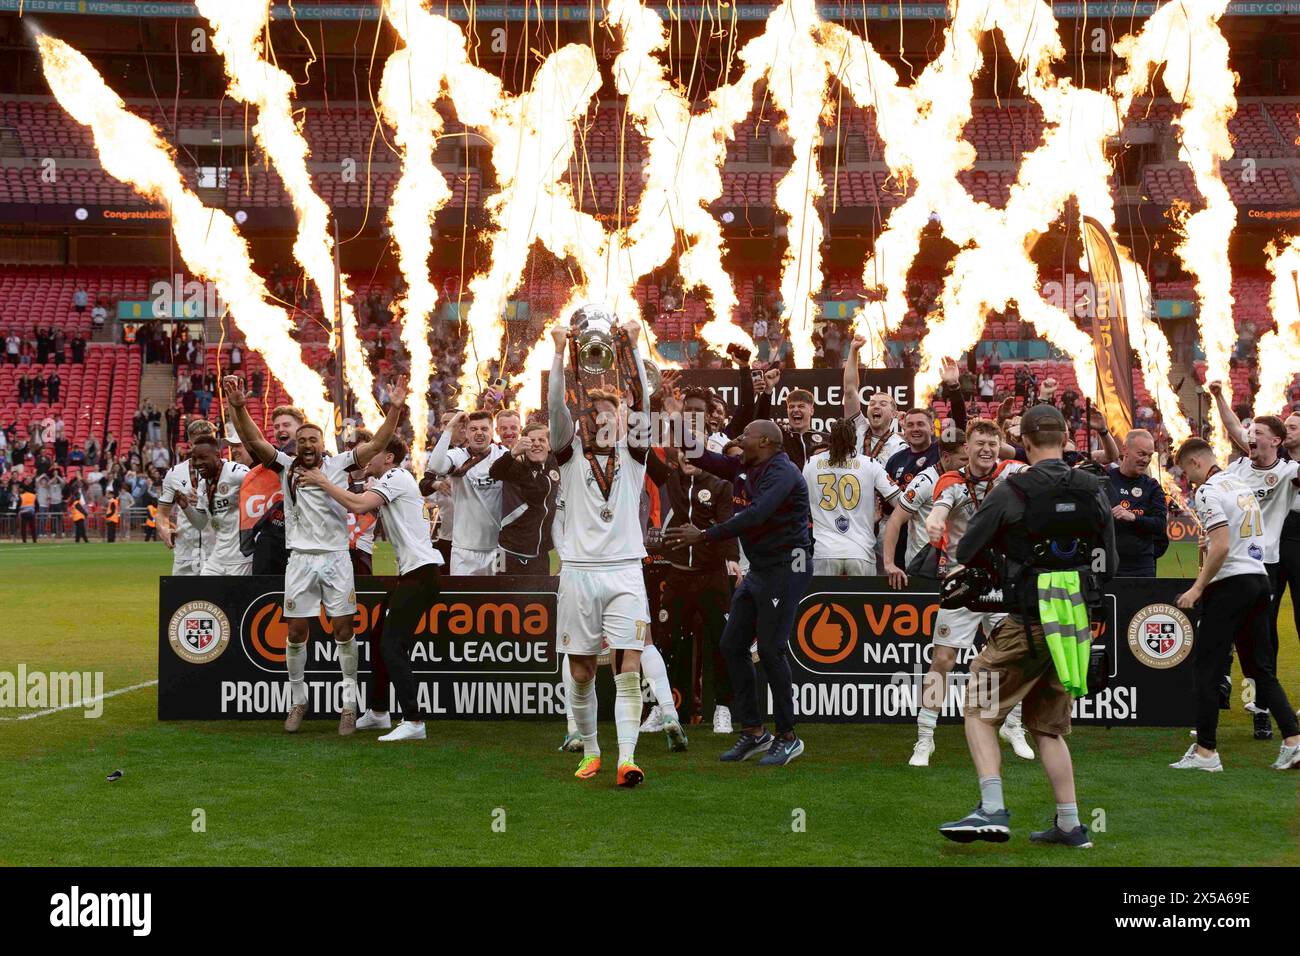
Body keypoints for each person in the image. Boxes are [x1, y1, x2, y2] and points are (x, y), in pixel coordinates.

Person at [938, 405, 1115, 847]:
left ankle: (992, 810)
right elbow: (1109, 562)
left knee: (979, 709)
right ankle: (1071, 824)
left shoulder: (1012, 490)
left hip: (1027, 619)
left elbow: (965, 552)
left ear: (1022, 441)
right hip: (1074, 623)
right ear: (1067, 436)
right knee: (1048, 727)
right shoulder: (1094, 488)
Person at [225, 374, 406, 736]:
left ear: (323, 444)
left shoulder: (339, 464)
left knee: (343, 630)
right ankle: (298, 700)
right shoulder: (285, 465)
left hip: (337, 557)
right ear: (297, 443)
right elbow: (255, 441)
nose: (307, 444)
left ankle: (350, 705)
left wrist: (396, 407)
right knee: (295, 630)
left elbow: (379, 443)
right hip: (301, 559)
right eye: (302, 439)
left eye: (313, 439)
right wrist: (239, 407)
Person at [665, 418, 814, 767]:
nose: (737, 437)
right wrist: (673, 418)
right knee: (732, 644)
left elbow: (757, 515)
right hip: (763, 568)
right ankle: (753, 731)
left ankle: (788, 736)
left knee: (772, 649)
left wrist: (703, 535)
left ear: (764, 442)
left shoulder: (784, 473)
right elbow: (698, 454)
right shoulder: (743, 466)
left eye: (745, 434)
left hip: (788, 565)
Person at [548, 315, 655, 786]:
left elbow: (645, 405)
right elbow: (555, 407)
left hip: (626, 571)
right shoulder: (569, 454)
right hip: (578, 572)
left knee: (628, 660)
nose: (602, 418)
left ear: (621, 419)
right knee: (584, 668)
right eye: (594, 413)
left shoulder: (633, 457)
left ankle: (626, 758)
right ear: (584, 421)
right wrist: (557, 352)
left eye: (611, 412)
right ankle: (591, 750)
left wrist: (632, 345)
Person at [299, 436, 443, 742]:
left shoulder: (395, 477)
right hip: (413, 573)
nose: (367, 461)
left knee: (391, 645)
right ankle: (378, 713)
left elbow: (358, 504)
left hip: (421, 574)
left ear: (388, 458)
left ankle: (414, 720)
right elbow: (360, 500)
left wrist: (323, 481)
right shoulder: (395, 480)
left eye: (373, 455)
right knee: (378, 639)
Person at [910, 419, 1034, 767]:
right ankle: (925, 737)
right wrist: (935, 521)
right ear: (966, 447)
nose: (985, 450)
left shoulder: (1012, 473)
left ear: (1000, 447)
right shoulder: (951, 481)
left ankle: (1013, 725)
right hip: (962, 581)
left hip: (1003, 581)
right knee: (942, 660)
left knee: (1014, 656)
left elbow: (1040, 475)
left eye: (992, 444)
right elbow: (940, 507)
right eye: (979, 443)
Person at [1171, 438, 1300, 772]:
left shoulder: (1208, 491)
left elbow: (1221, 546)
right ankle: (1293, 741)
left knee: (1206, 667)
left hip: (1230, 585)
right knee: (1259, 668)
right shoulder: (1240, 484)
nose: (1187, 479)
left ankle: (1206, 752)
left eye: (1186, 471)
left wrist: (1198, 588)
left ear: (1195, 463)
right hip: (1259, 580)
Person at [803, 417, 898, 575]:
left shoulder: (811, 463)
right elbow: (901, 502)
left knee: (826, 600)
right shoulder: (870, 464)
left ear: (830, 439)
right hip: (860, 552)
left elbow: (800, 505)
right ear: (855, 440)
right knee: (859, 600)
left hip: (825, 552)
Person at [426, 409, 506, 575]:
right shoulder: (457, 456)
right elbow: (435, 466)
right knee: (461, 599)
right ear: (466, 433)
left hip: (498, 549)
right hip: (463, 550)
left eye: (484, 429)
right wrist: (449, 428)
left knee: (498, 598)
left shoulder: (503, 456)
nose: (479, 433)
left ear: (492, 431)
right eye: (473, 429)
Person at [175, 436, 253, 576]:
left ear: (217, 456)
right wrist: (185, 506)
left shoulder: (235, 472)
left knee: (233, 598)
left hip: (241, 557)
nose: (197, 463)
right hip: (218, 556)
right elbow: (201, 523)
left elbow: (258, 483)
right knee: (205, 594)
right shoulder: (203, 483)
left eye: (202, 457)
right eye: (194, 458)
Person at [489, 422, 558, 574]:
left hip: (541, 554)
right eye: (531, 441)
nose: (537, 444)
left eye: (542, 440)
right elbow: (494, 472)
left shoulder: (554, 464)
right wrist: (513, 453)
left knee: (540, 597)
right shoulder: (515, 466)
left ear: (550, 446)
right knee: (502, 596)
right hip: (507, 550)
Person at [1103, 429, 1169, 577]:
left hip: (1142, 568)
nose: (1146, 460)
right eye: (1141, 454)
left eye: (1149, 455)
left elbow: (1160, 524)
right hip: (1109, 565)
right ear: (1125, 450)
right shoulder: (1106, 480)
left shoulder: (1152, 487)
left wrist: (1133, 517)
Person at [158, 419, 217, 575]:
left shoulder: (229, 471)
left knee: (217, 599)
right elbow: (162, 513)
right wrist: (164, 529)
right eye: (200, 442)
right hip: (185, 552)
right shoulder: (174, 473)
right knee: (183, 599)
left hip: (218, 552)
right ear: (190, 444)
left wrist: (207, 501)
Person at [843, 335, 908, 467]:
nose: (876, 406)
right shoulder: (858, 428)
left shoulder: (900, 446)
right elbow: (850, 390)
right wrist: (853, 350)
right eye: (872, 404)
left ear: (893, 414)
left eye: (883, 404)